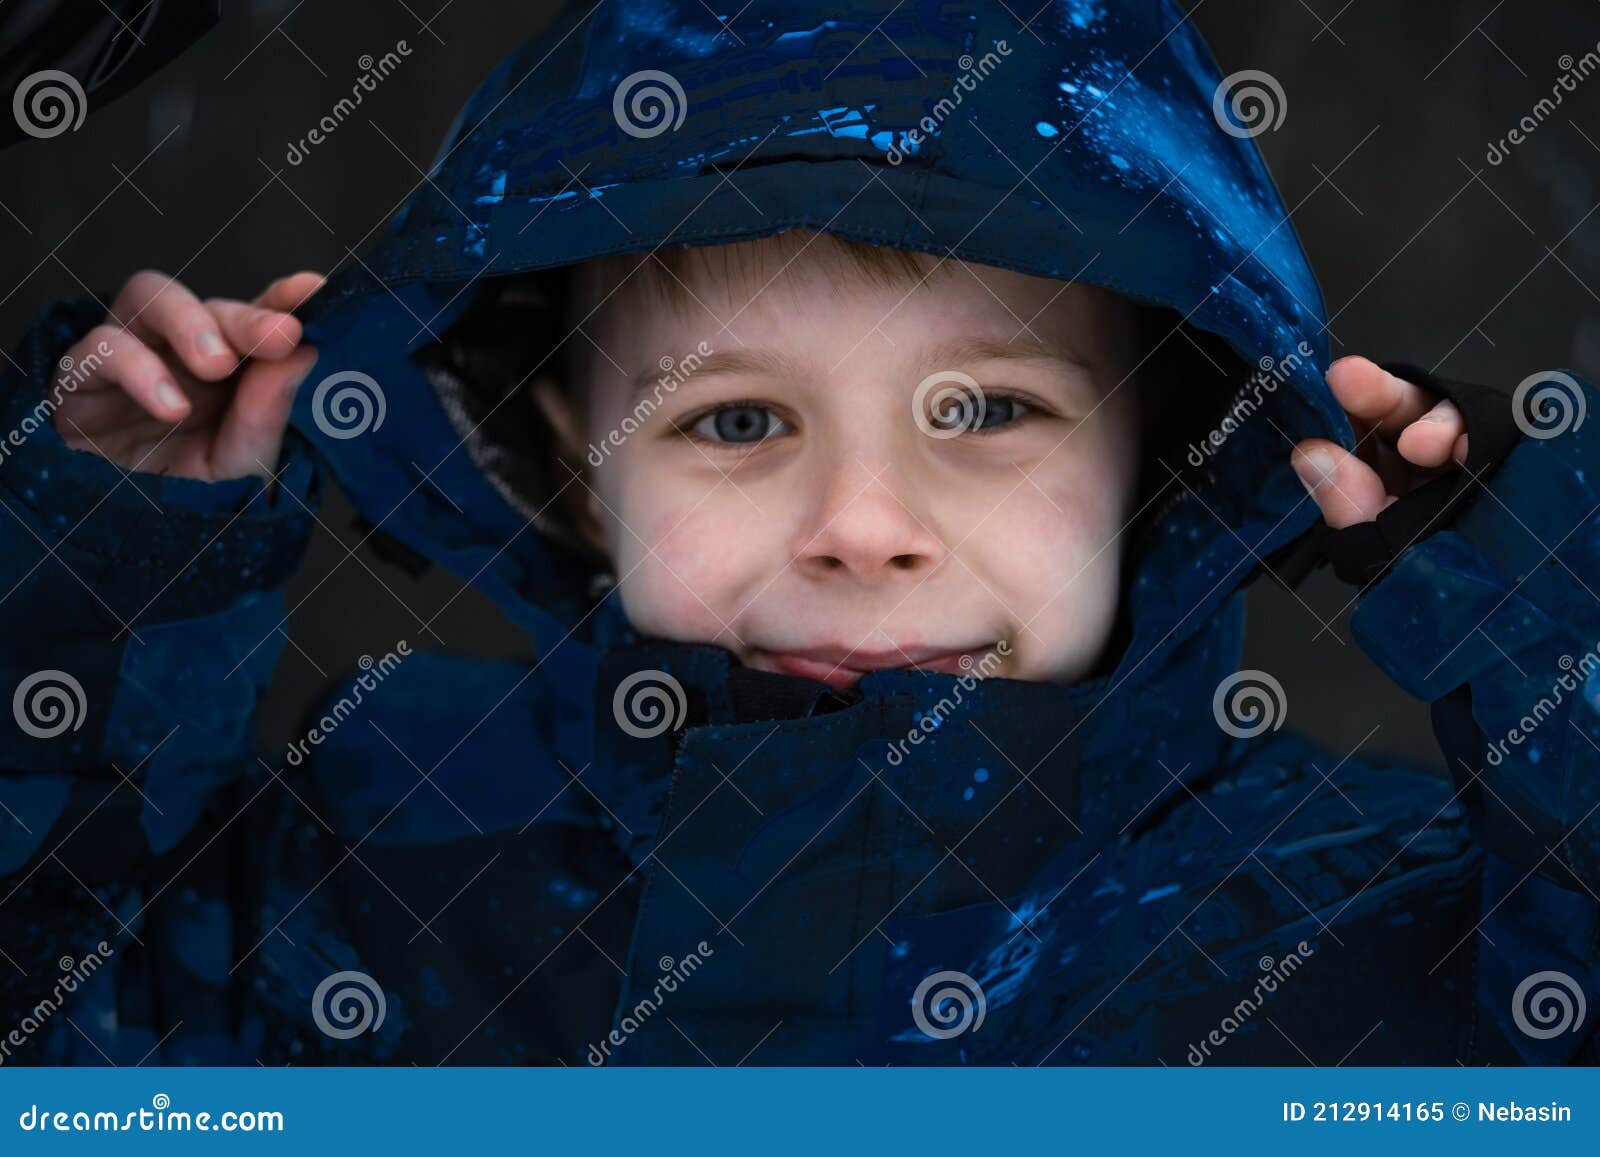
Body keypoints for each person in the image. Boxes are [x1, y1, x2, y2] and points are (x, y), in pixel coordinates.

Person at [1, 0, 1595, 1066]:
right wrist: (96, 583)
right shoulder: (364, 862)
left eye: (988, 409)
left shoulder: (1376, 917)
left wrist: (1545, 629)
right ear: (572, 463)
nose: (862, 526)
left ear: (1158, 458)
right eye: (735, 421)